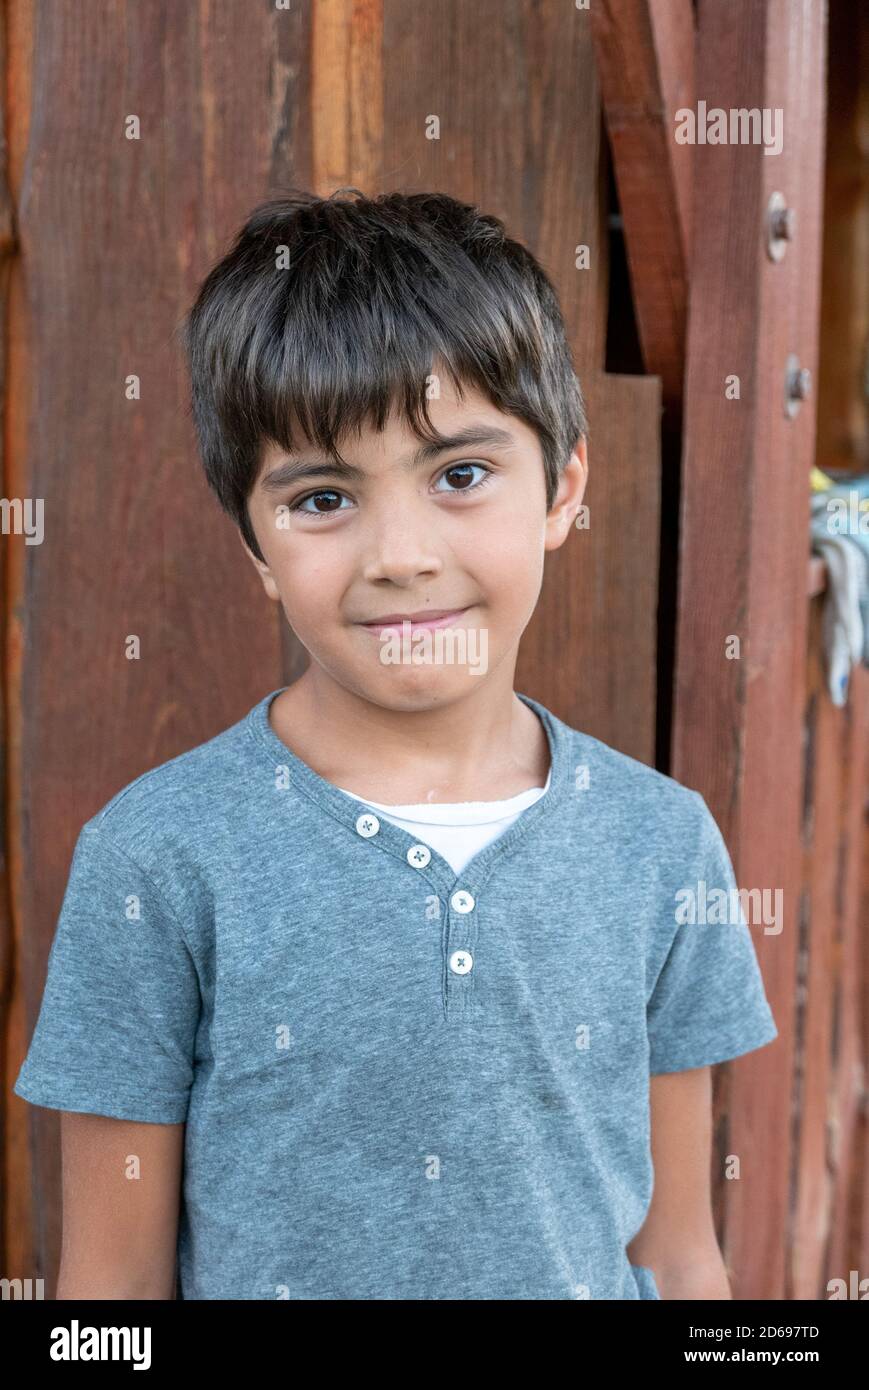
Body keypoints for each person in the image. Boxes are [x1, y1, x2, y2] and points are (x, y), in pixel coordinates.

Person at [14, 188, 778, 1300]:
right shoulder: (157, 858)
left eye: (459, 474)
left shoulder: (660, 844)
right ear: (255, 545)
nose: (400, 554)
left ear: (562, 485)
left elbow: (672, 1252)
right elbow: (109, 1296)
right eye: (323, 497)